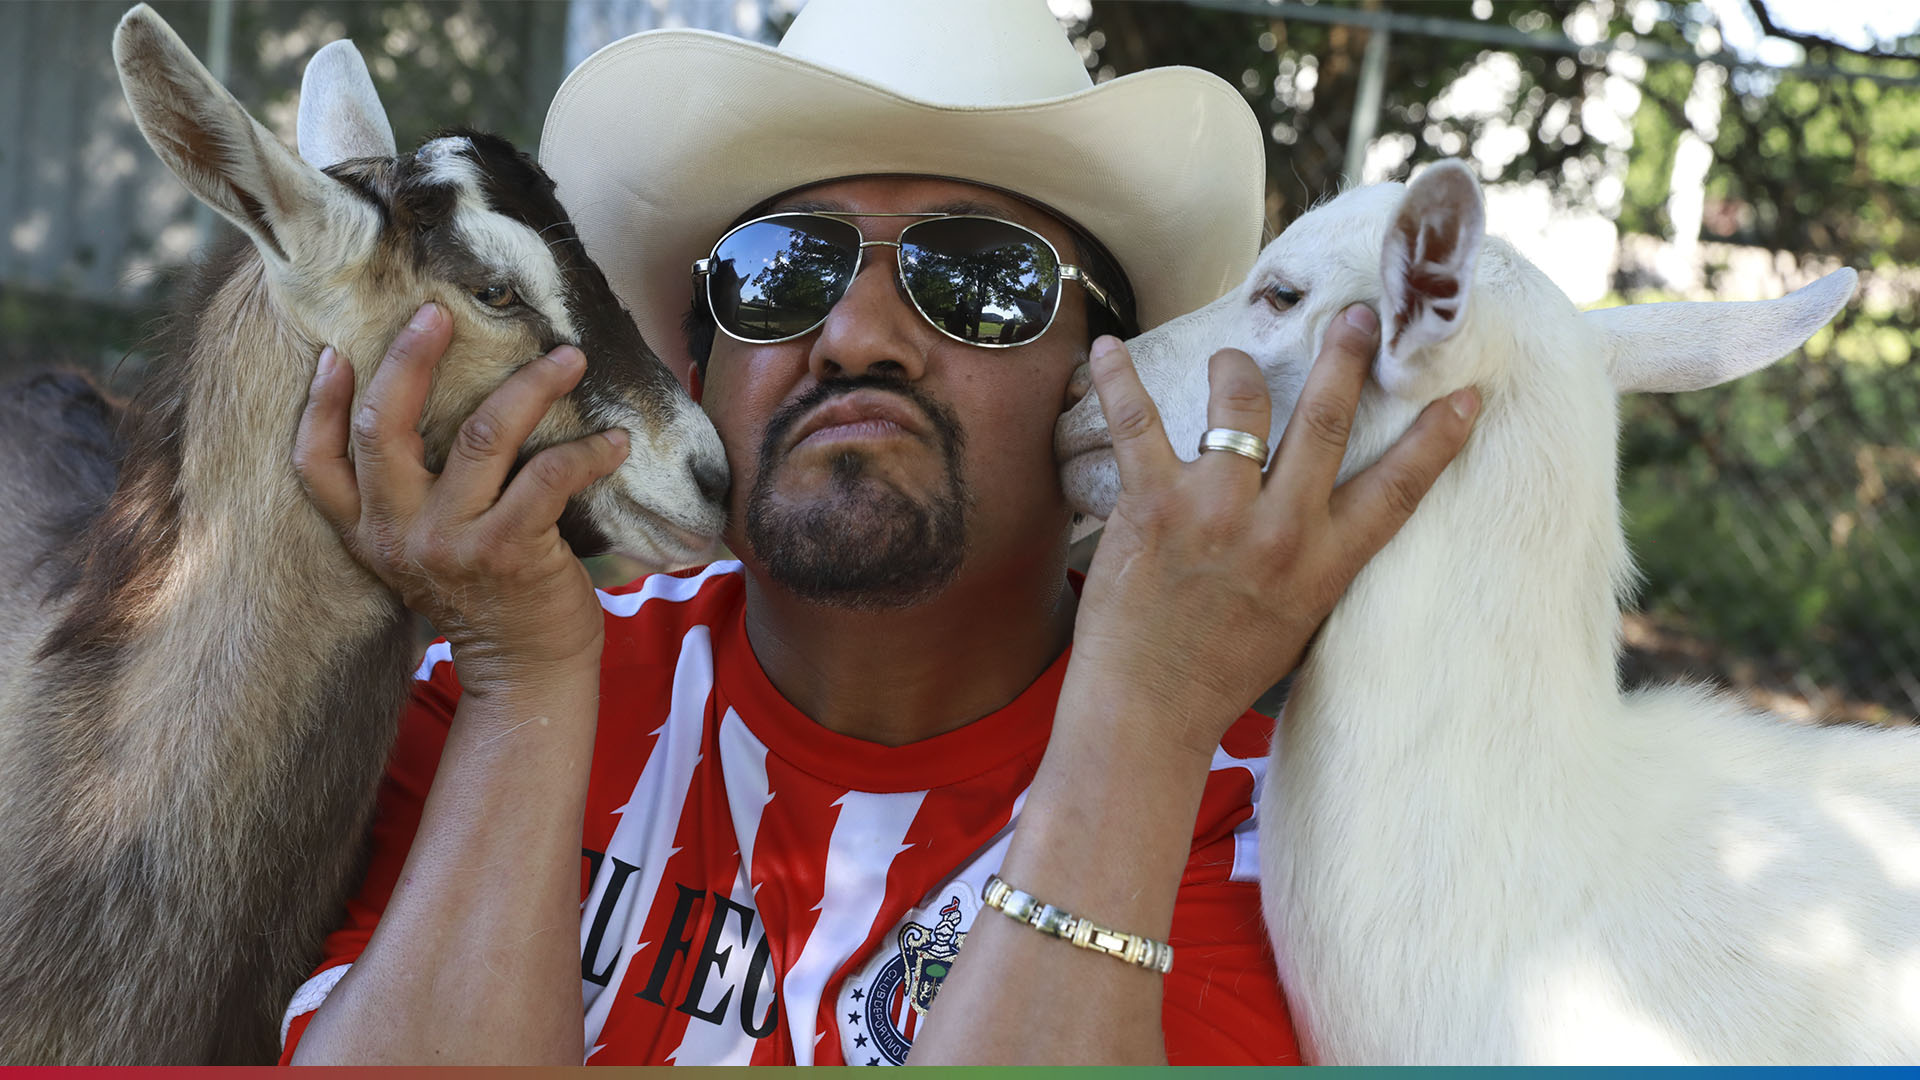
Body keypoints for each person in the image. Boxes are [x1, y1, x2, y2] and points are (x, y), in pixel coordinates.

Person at [280, 0, 1478, 1065]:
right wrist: (523, 676)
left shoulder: (1263, 842)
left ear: (1103, 386)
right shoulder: (475, 703)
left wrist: (1153, 712)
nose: (858, 336)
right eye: (778, 270)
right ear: (695, 363)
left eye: (982, 280)